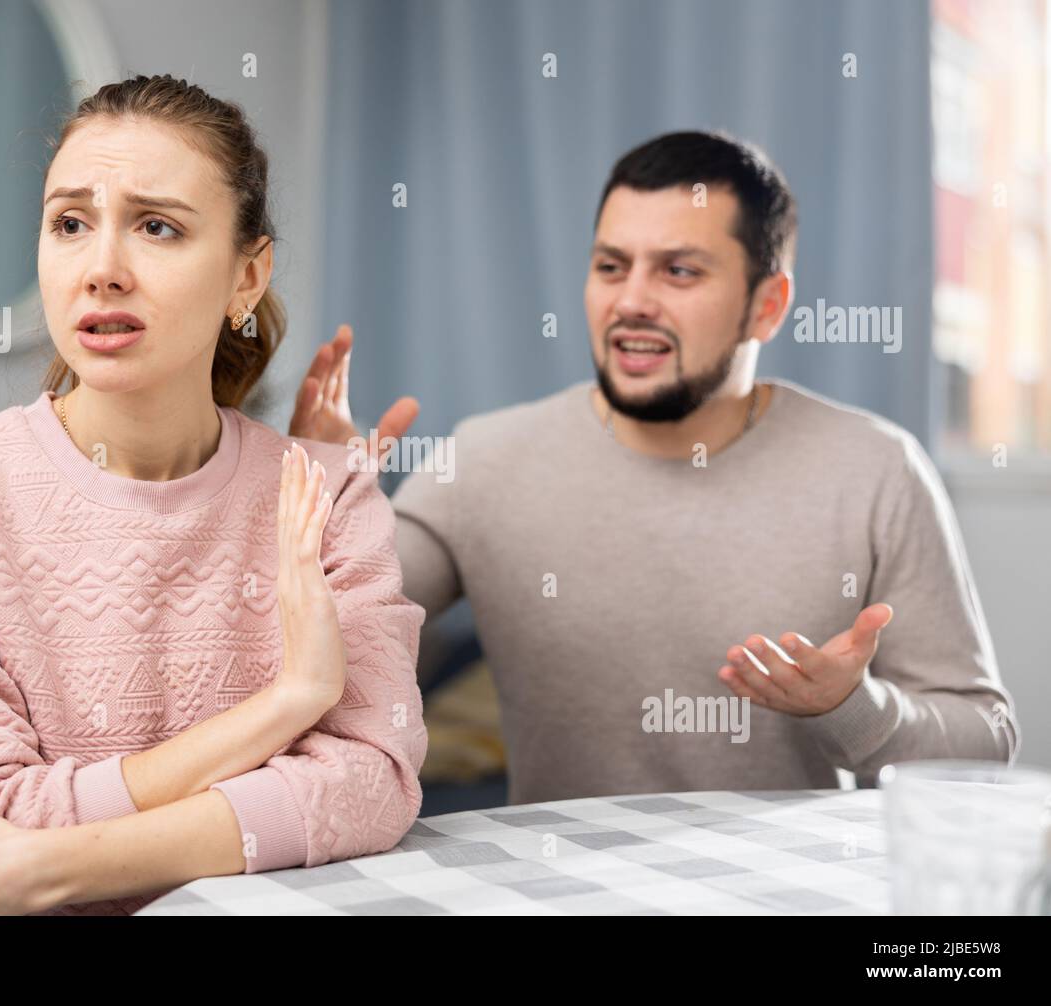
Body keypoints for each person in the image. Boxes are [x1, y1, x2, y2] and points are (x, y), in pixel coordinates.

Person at [290, 130, 1019, 804]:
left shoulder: (877, 469)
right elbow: (328, 660)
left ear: (768, 307)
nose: (631, 301)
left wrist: (850, 707)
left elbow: (984, 745)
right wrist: (326, 507)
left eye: (679, 270)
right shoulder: (480, 461)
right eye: (611, 266)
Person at [0, 74, 426, 915]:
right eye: (69, 224)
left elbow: (373, 783)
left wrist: (59, 868)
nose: (101, 270)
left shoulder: (328, 492)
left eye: (157, 226)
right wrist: (289, 705)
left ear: (247, 277)